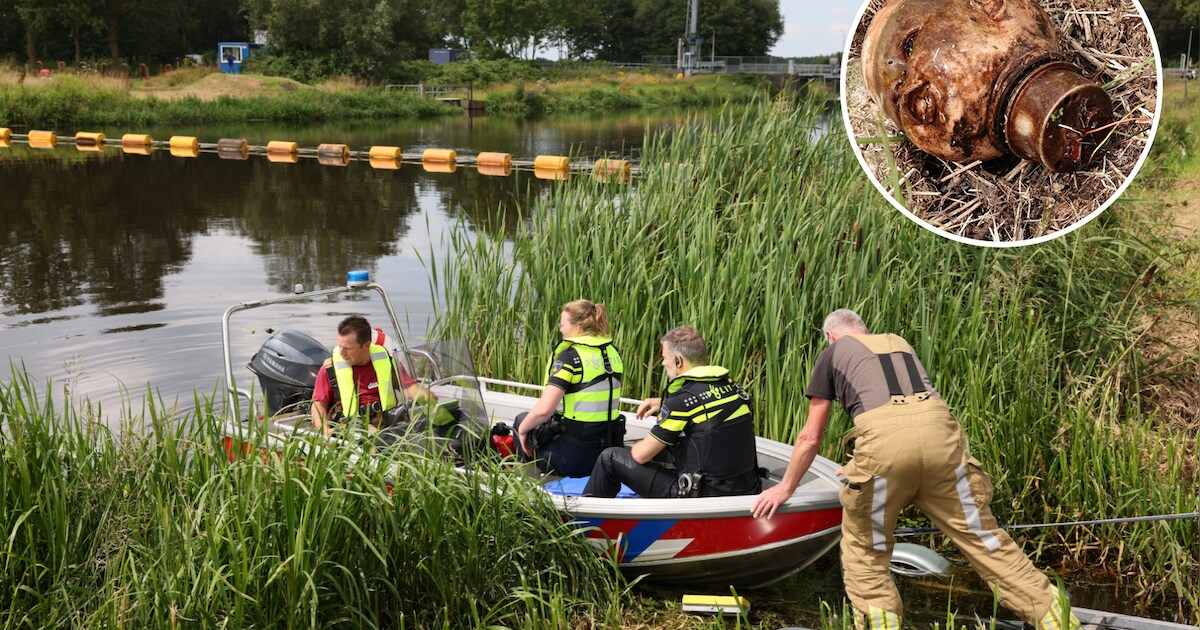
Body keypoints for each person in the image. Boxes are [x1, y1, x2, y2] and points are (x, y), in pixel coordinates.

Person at [751, 309, 1081, 630]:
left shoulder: (833, 351)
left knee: (867, 549)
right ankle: (1059, 621)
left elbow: (811, 437)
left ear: (830, 335)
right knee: (986, 541)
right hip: (944, 440)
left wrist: (786, 487)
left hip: (886, 451)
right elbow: (910, 418)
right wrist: (858, 463)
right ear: (864, 331)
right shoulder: (898, 343)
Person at [582, 326, 760, 498]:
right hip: (746, 488)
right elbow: (706, 411)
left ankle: (588, 521)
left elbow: (640, 456)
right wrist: (663, 403)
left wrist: (631, 448)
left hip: (702, 495)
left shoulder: (681, 401)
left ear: (678, 361)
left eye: (664, 358)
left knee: (611, 457)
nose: (663, 363)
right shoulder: (732, 387)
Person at [515, 300, 624, 477]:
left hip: (577, 460)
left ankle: (526, 487)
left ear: (577, 328)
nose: (560, 329)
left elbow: (544, 410)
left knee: (521, 421)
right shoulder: (613, 352)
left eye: (562, 324)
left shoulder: (571, 358)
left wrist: (522, 430)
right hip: (606, 451)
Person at [311, 316, 432, 435]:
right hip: (350, 425)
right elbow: (319, 404)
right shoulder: (329, 369)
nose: (341, 352)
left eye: (348, 348)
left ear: (366, 346)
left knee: (424, 427)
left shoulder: (386, 361)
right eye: (340, 346)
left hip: (383, 421)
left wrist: (428, 399)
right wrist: (324, 429)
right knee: (379, 440)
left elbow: (409, 387)